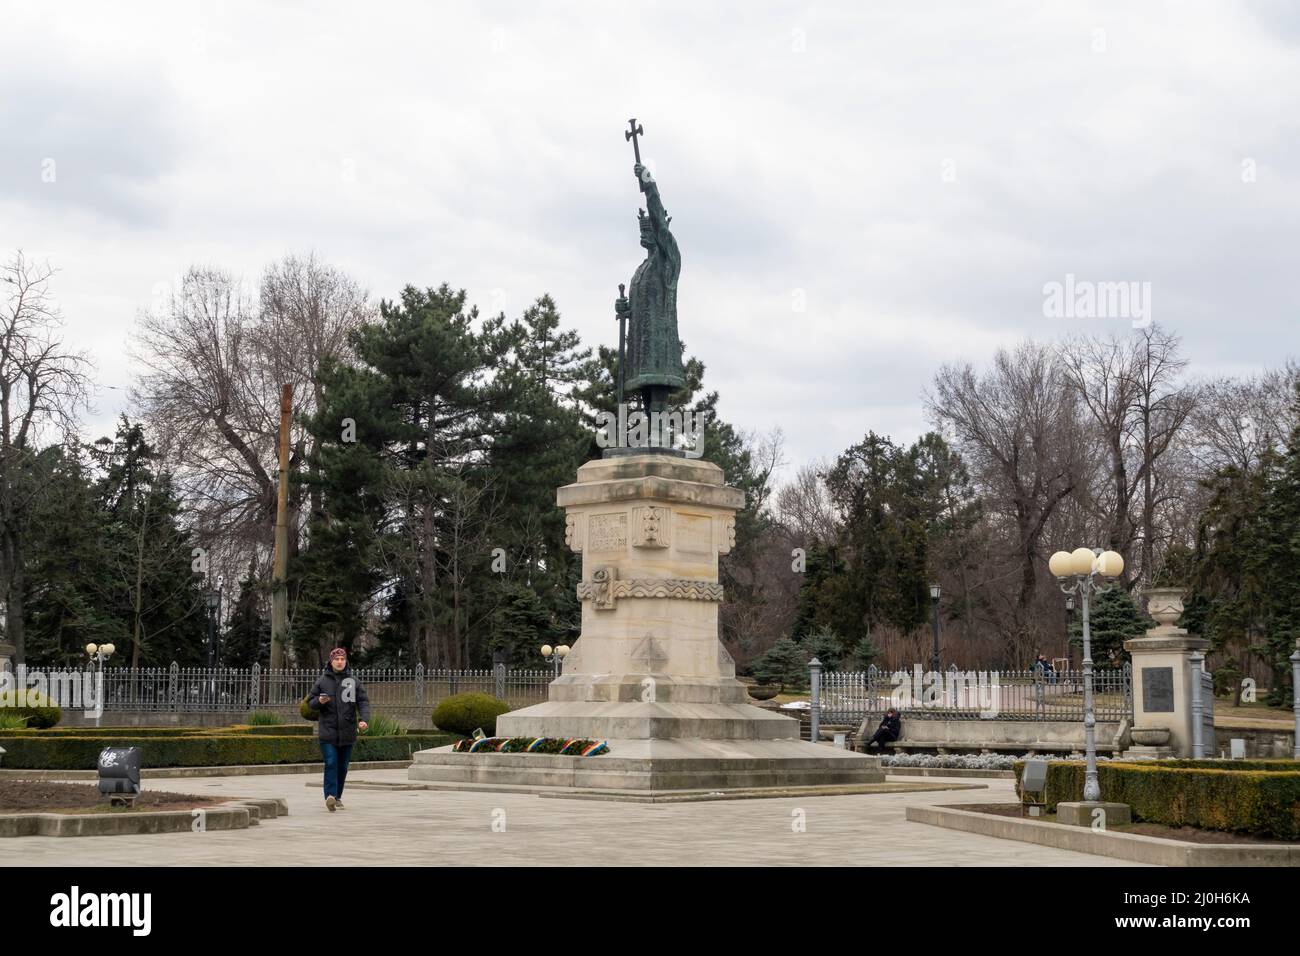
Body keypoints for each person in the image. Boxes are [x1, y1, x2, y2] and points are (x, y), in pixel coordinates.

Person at [306, 647, 370, 811]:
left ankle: (338, 796)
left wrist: (363, 719)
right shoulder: (322, 681)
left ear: (346, 661)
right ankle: (330, 796)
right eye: (337, 659)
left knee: (343, 767)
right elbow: (310, 704)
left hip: (347, 731)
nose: (340, 662)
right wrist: (319, 701)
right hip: (328, 731)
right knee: (331, 763)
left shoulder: (353, 681)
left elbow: (363, 702)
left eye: (342, 659)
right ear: (331, 661)